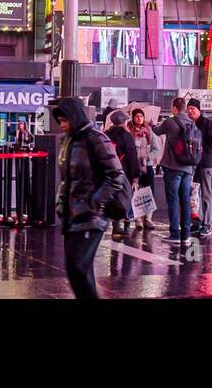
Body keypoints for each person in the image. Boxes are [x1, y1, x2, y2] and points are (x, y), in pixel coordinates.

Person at [52, 97, 126, 299]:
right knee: (77, 270)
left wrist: (95, 202)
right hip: (73, 215)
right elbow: (68, 179)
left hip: (91, 216)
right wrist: (62, 204)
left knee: (78, 267)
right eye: (60, 121)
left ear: (74, 117)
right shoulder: (69, 141)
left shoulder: (96, 138)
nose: (62, 125)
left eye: (65, 120)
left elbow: (116, 175)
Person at [155, 97, 199, 251]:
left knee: (173, 200)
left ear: (174, 108)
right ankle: (186, 235)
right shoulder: (192, 123)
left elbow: (156, 131)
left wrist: (149, 124)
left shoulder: (170, 122)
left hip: (172, 167)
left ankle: (174, 234)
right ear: (185, 108)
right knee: (185, 201)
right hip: (187, 168)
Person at [105, 110, 141, 239]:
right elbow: (132, 157)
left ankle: (116, 226)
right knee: (127, 198)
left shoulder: (106, 135)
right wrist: (135, 175)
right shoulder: (126, 136)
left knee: (114, 199)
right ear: (123, 122)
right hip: (124, 173)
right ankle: (126, 228)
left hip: (109, 173)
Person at [187, 98, 212, 238]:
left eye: (193, 109)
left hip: (204, 165)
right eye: (188, 109)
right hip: (190, 165)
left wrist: (204, 156)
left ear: (199, 110)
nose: (190, 111)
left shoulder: (208, 124)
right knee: (193, 195)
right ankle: (196, 222)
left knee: (206, 194)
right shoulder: (187, 124)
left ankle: (206, 224)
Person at [129, 108, 160, 230]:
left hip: (147, 166)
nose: (139, 118)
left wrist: (148, 158)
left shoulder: (148, 131)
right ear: (133, 118)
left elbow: (156, 148)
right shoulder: (129, 131)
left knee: (149, 192)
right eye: (137, 116)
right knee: (135, 192)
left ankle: (148, 218)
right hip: (134, 167)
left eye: (141, 116)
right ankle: (138, 219)